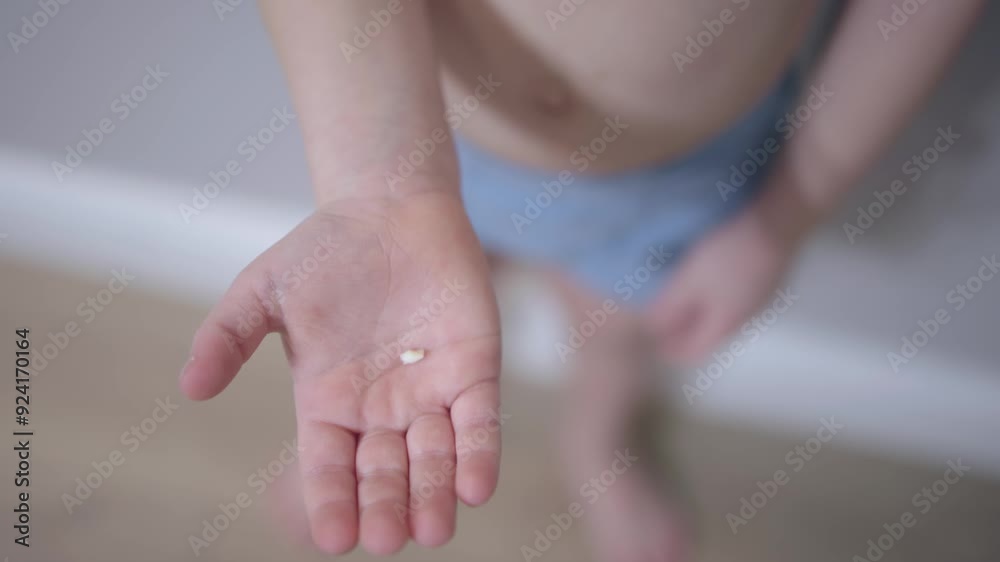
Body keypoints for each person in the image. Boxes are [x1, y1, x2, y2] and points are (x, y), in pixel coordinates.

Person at [177, 0, 984, 558]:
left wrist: (784, 215)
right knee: (391, 326)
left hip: (670, 177)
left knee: (616, 334)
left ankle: (597, 442)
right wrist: (374, 190)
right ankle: (368, 426)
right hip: (429, 141)